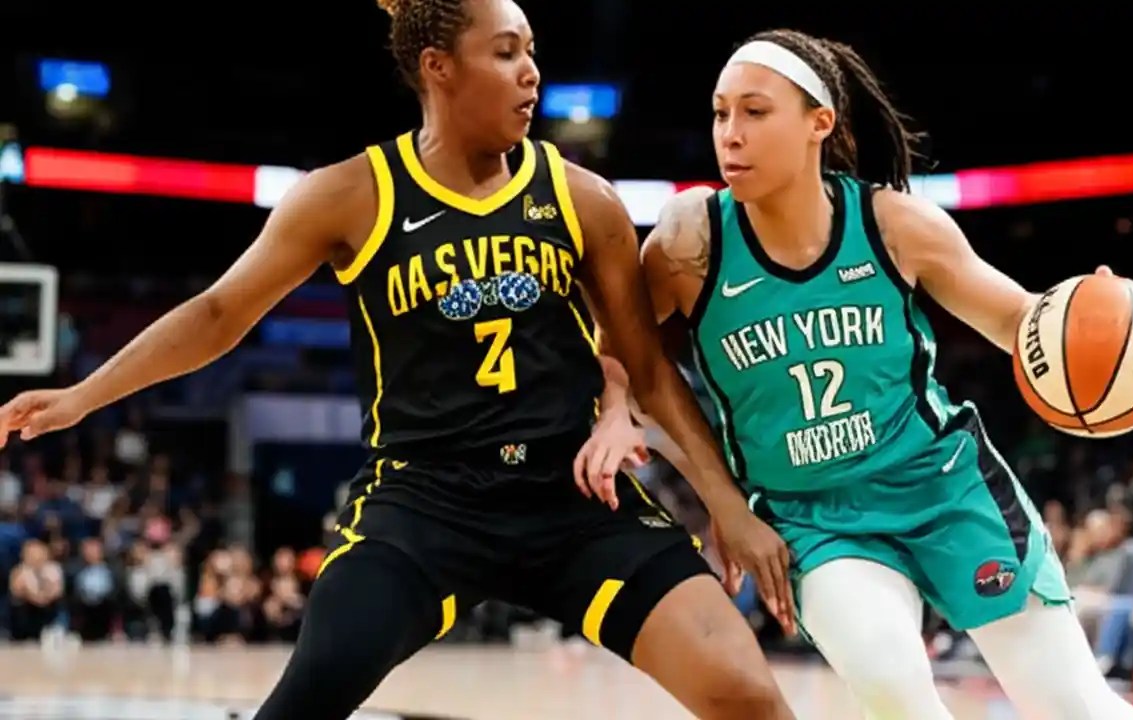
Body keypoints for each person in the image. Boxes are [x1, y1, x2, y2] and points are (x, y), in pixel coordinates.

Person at [0, 2, 798, 718]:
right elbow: (217, 314)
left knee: (747, 695)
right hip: (425, 504)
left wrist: (725, 506)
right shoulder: (351, 194)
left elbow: (648, 368)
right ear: (438, 67)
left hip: (573, 499)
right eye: (506, 52)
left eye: (531, 51)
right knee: (304, 699)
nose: (531, 72)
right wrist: (83, 395)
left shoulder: (582, 197)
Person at [595, 27, 1133, 720]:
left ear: (819, 122)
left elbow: (1021, 323)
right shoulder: (690, 243)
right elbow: (626, 353)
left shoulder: (895, 225)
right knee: (891, 685)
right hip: (814, 518)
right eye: (721, 113)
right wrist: (705, 488)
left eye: (755, 112)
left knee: (1074, 706)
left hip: (943, 486)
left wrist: (1120, 322)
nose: (730, 134)